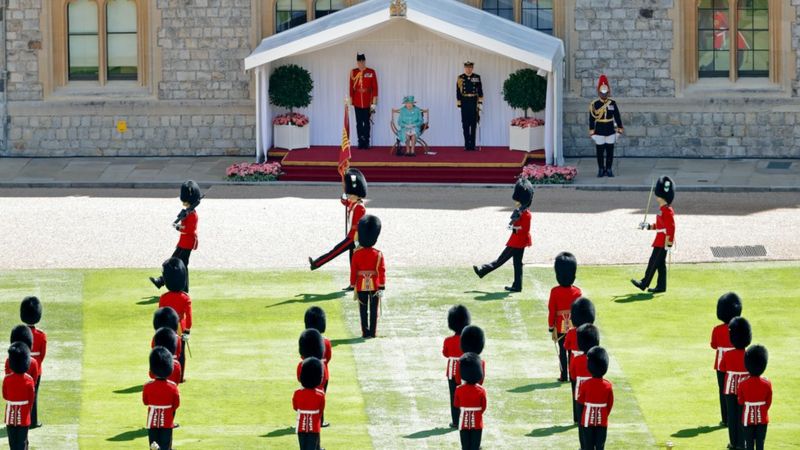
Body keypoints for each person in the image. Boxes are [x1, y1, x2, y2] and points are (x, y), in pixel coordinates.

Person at [309, 168, 367, 288]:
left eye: (350, 193)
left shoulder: (360, 207)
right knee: (352, 262)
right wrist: (345, 184)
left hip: (353, 239)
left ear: (355, 194)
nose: (349, 196)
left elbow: (358, 227)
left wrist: (357, 244)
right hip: (352, 238)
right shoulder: (353, 203)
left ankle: (316, 263)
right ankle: (354, 284)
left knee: (334, 252)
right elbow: (343, 200)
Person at [473, 178, 534, 292]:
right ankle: (517, 285)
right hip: (518, 240)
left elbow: (523, 229)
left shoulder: (526, 215)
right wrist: (514, 220)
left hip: (517, 241)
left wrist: (513, 227)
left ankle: (482, 270)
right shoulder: (520, 212)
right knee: (517, 264)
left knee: (500, 260)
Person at [150, 180, 201, 293]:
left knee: (181, 265)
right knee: (174, 262)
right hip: (183, 242)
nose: (184, 204)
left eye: (186, 202)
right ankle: (162, 281)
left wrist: (178, 227)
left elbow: (189, 230)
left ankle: (183, 288)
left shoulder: (193, 215)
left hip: (188, 242)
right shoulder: (188, 212)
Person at [632, 176, 676, 293]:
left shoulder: (667, 211)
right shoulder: (663, 209)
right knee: (660, 265)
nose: (657, 198)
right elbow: (660, 226)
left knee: (653, 262)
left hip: (663, 242)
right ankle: (661, 286)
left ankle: (644, 283)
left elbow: (671, 228)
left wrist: (669, 243)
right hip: (659, 240)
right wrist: (648, 226)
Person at [548, 252, 582, 382]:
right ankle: (572, 374)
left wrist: (551, 326)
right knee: (572, 351)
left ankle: (563, 375)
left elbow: (552, 310)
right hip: (574, 325)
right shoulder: (577, 291)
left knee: (562, 351)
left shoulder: (555, 291)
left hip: (559, 324)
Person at [350, 215, 385, 338]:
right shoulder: (378, 254)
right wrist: (382, 286)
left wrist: (352, 283)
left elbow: (353, 270)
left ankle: (365, 332)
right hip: (375, 284)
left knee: (363, 311)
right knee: (374, 310)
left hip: (360, 284)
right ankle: (373, 332)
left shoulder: (356, 254)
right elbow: (382, 270)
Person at [720, 317, 752, 450]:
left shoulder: (727, 354)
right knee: (742, 416)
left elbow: (722, 368)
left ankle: (733, 443)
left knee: (732, 416)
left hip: (730, 387)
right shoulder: (748, 354)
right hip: (744, 388)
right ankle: (742, 443)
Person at [711, 292, 743, 426]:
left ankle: (726, 419)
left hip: (720, 365)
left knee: (723, 391)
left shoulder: (717, 329)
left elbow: (713, 345)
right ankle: (738, 416)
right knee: (736, 391)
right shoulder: (739, 327)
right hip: (737, 364)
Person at [563, 297, 596, 424]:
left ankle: (577, 416)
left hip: (575, 363)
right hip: (589, 362)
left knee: (575, 391)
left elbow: (566, 346)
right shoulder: (592, 330)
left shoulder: (572, 332)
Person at [577, 346, 614, 450]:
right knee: (600, 446)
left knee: (587, 446)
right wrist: (603, 414)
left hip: (587, 420)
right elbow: (609, 404)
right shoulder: (608, 385)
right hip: (602, 421)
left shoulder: (585, 384)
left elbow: (580, 402)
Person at [143, 347, 180, 450]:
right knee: (165, 446)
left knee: (153, 445)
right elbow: (176, 404)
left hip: (152, 421)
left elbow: (145, 402)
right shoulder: (173, 386)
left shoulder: (147, 386)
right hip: (167, 421)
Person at [571, 323, 600, 447]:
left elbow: (572, 375)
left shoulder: (577, 359)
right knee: (596, 424)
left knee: (582, 425)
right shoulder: (598, 358)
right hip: (596, 394)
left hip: (580, 395)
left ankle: (584, 446)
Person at [589, 75, 624, 177]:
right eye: (602, 93)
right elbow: (591, 118)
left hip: (610, 130)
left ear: (608, 92)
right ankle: (601, 169)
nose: (604, 95)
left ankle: (608, 168)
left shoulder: (612, 103)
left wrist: (619, 129)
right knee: (599, 152)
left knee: (610, 151)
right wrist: (592, 131)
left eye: (605, 93)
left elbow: (617, 116)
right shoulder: (594, 104)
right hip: (599, 130)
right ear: (599, 93)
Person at [3, 342, 36, 450]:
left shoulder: (7, 379)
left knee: (12, 444)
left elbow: (5, 396)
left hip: (10, 415)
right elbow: (31, 399)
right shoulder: (29, 380)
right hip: (24, 415)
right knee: (22, 444)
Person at [738, 344, 771, 450]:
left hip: (747, 418)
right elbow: (768, 401)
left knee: (749, 444)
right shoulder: (767, 383)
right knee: (760, 444)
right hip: (762, 417)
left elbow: (740, 401)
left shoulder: (743, 383)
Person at [443, 305, 471, 429]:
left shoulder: (448, 340)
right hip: (465, 368)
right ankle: (466, 419)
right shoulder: (467, 339)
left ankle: (455, 421)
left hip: (452, 371)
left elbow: (445, 353)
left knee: (453, 395)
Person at [20, 296, 45, 428]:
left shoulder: (20, 332)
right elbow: (42, 354)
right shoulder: (41, 335)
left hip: (22, 365)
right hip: (36, 368)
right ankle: (33, 421)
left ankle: (23, 418)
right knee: (34, 394)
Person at [304, 306, 331, 428]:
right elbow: (328, 356)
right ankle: (320, 420)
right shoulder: (325, 341)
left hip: (307, 370)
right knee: (321, 395)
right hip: (323, 370)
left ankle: (309, 418)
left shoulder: (305, 339)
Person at [453, 352, 486, 450]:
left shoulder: (459, 389)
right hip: (477, 421)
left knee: (465, 446)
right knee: (475, 446)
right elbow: (483, 407)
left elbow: (456, 404)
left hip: (463, 421)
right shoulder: (481, 390)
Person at [293, 357, 326, 450]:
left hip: (301, 426)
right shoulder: (320, 395)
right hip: (314, 427)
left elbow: (295, 407)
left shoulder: (298, 393)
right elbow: (321, 410)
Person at [349, 53, 378, 150]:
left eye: (362, 61)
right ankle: (360, 141)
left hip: (367, 102)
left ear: (365, 61)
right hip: (357, 101)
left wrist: (374, 103)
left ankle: (367, 141)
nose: (361, 63)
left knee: (366, 122)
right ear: (357, 62)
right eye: (359, 61)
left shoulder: (371, 72)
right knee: (358, 123)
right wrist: (351, 100)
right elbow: (351, 88)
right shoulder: (353, 72)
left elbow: (375, 88)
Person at [457, 61, 483, 151]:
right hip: (464, 102)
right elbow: (458, 91)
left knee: (473, 124)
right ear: (464, 68)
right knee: (465, 124)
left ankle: (472, 145)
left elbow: (480, 90)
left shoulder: (476, 77)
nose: (468, 69)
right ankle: (466, 145)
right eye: (467, 67)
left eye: (470, 67)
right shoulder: (460, 77)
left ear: (472, 68)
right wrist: (459, 103)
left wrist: (480, 103)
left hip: (473, 102)